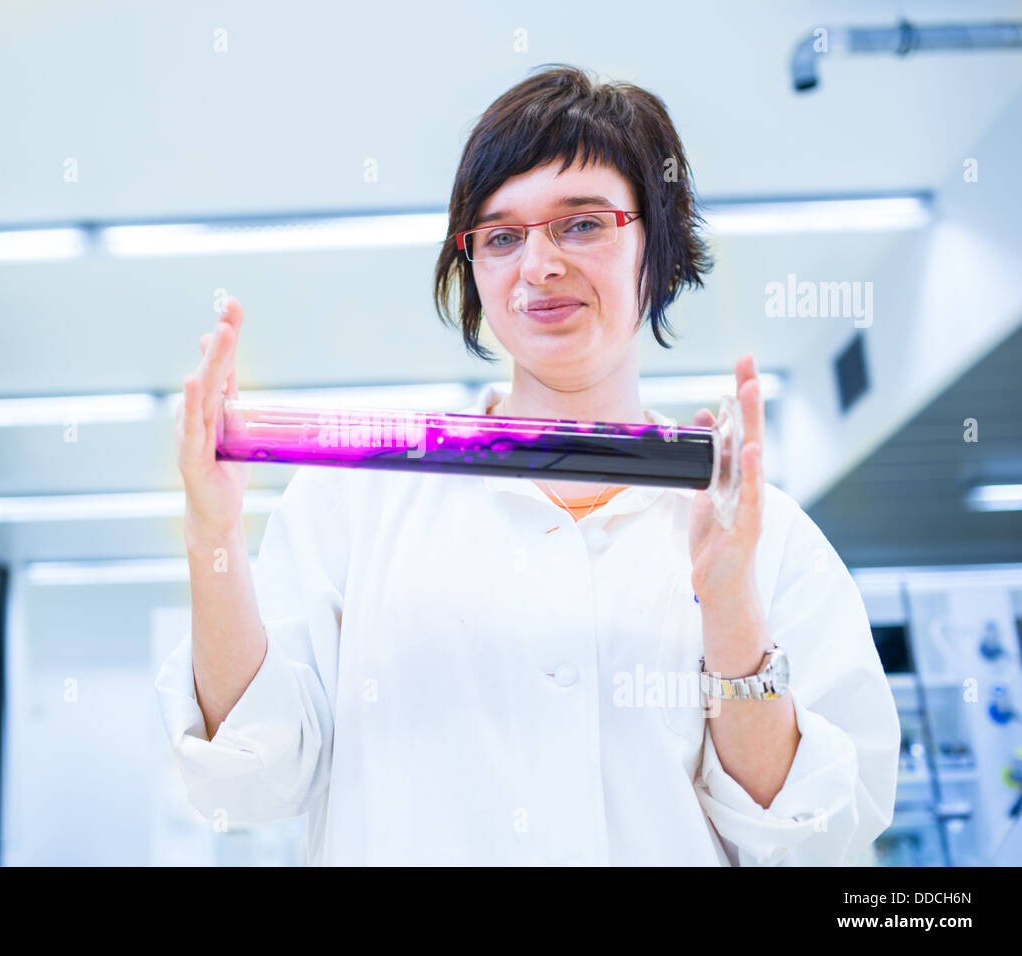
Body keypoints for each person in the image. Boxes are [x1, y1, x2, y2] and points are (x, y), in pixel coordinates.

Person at [156, 65, 900, 865]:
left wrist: (729, 611)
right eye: (502, 236)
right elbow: (249, 784)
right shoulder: (357, 495)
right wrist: (212, 532)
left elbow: (810, 838)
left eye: (582, 224)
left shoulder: (768, 536)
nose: (538, 266)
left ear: (660, 238)